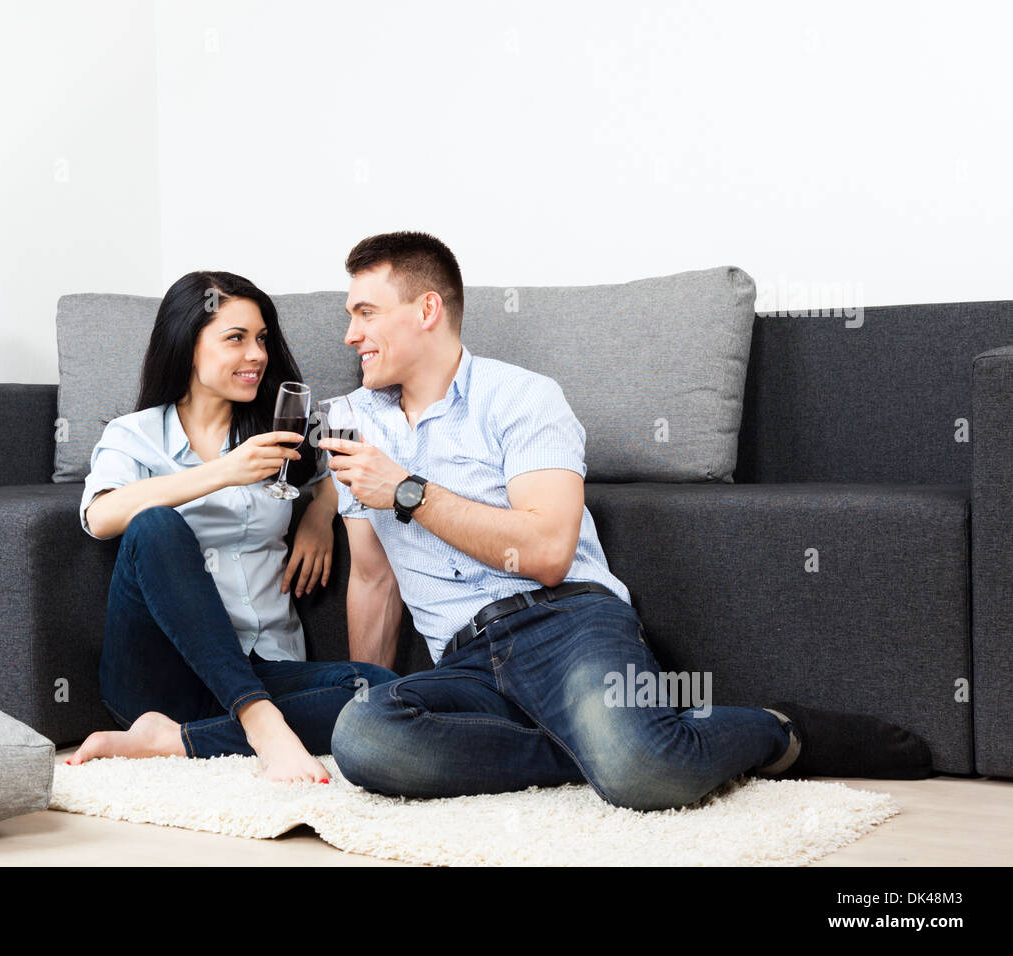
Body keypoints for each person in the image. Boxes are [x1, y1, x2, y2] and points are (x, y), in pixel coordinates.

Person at [319, 231, 933, 807]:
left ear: (427, 309)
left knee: (645, 772)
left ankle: (778, 731)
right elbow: (374, 581)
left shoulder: (521, 397)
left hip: (565, 622)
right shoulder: (351, 420)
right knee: (365, 738)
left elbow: (548, 550)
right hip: (465, 663)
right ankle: (615, 743)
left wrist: (408, 491)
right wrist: (370, 687)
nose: (350, 334)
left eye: (365, 313)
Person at [68, 270, 397, 783]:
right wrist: (222, 471)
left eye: (261, 339)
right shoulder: (134, 435)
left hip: (262, 664)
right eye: (236, 338)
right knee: (155, 526)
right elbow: (102, 516)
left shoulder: (280, 429)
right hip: (160, 676)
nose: (257, 355)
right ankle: (263, 727)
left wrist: (318, 512)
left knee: (377, 690)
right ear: (187, 346)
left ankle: (176, 740)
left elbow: (346, 460)